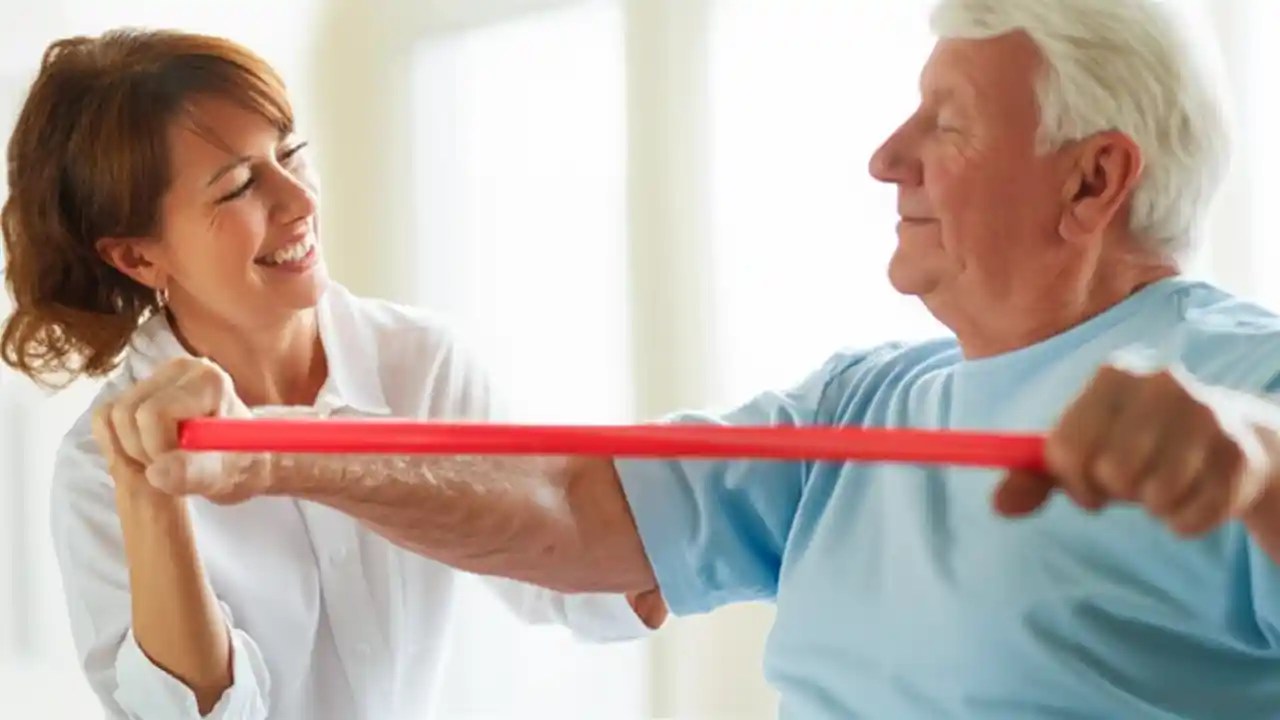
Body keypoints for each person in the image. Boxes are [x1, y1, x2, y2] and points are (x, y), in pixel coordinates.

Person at [88, 0, 1280, 718]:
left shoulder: (1247, 391)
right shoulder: (862, 401)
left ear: (1092, 179)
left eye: (948, 121)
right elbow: (566, 502)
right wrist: (286, 451)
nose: (886, 155)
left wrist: (1262, 477)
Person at [0, 29, 658, 720]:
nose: (299, 202)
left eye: (289, 154)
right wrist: (151, 488)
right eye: (240, 187)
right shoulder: (98, 468)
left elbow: (593, 586)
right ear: (137, 258)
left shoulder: (422, 365)